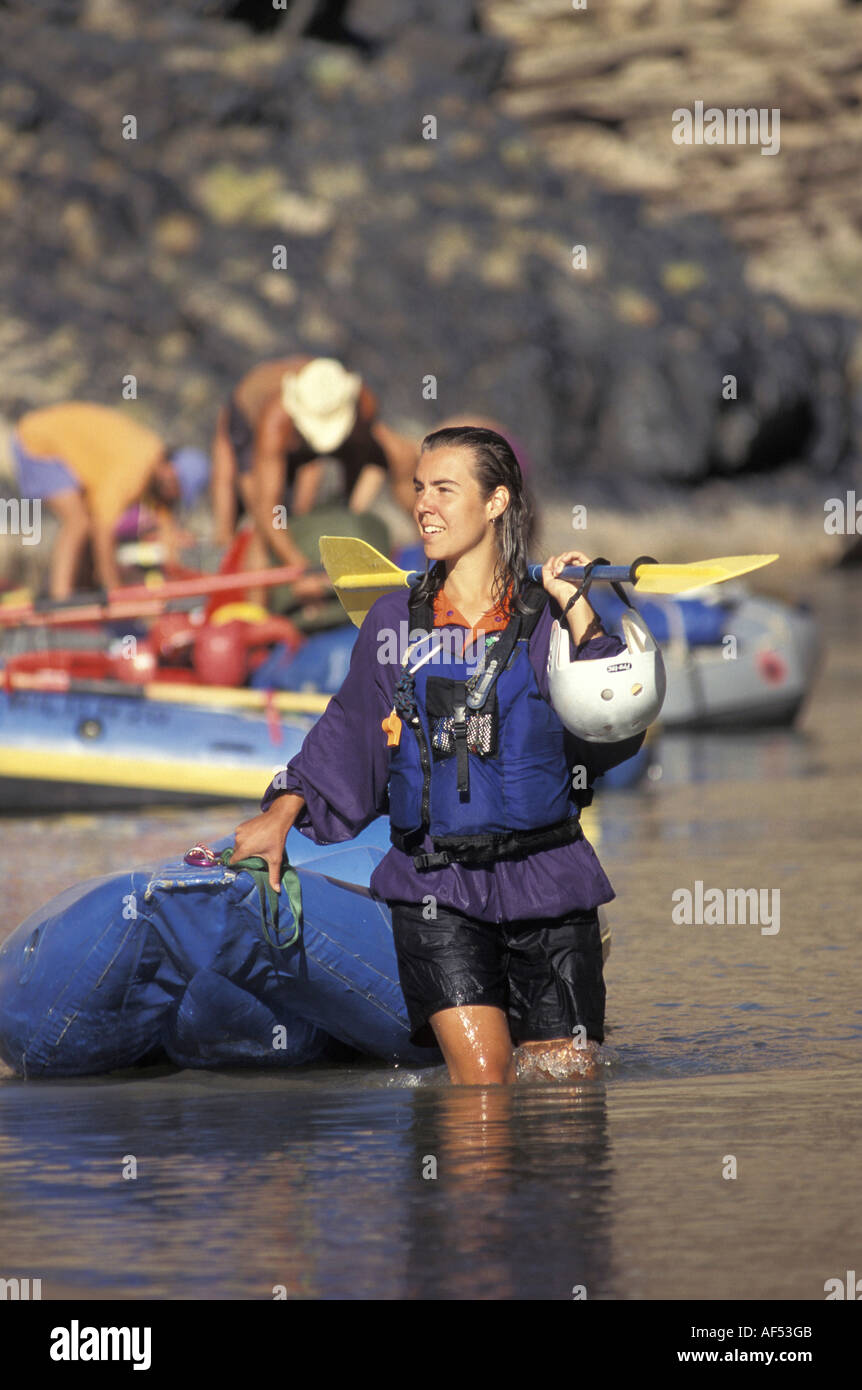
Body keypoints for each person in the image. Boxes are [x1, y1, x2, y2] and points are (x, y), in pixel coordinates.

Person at [230, 426, 652, 1085]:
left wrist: (577, 609)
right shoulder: (394, 622)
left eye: (444, 490)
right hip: (438, 892)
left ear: (495, 502)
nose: (423, 504)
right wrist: (282, 812)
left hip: (551, 882)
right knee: (484, 1090)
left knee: (566, 1102)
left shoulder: (548, 616)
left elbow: (617, 720)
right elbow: (350, 734)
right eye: (419, 488)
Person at [210, 355, 418, 566]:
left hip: (304, 427)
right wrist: (299, 567)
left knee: (403, 458)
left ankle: (431, 548)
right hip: (247, 416)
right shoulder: (274, 422)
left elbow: (360, 458)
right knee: (262, 529)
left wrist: (349, 510)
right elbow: (267, 507)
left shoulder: (363, 404)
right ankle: (228, 560)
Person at [12, 402, 208, 598]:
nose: (172, 497)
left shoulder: (153, 466)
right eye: (176, 489)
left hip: (64, 446)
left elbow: (166, 530)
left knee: (86, 523)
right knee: (78, 522)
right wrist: (115, 591)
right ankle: (61, 599)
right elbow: (103, 529)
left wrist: (179, 579)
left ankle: (83, 591)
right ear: (170, 470)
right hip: (40, 440)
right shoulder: (136, 471)